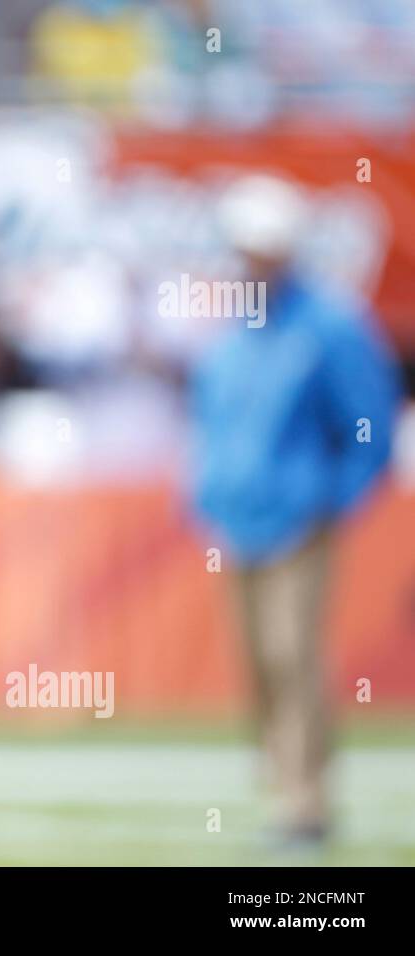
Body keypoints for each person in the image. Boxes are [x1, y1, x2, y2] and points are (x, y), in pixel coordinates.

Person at [190, 174, 401, 847]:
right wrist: (207, 491)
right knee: (259, 661)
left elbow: (370, 423)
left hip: (298, 519)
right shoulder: (240, 326)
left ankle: (306, 803)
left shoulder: (330, 324)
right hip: (238, 516)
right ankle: (283, 781)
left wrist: (329, 500)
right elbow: (215, 419)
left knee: (293, 656)